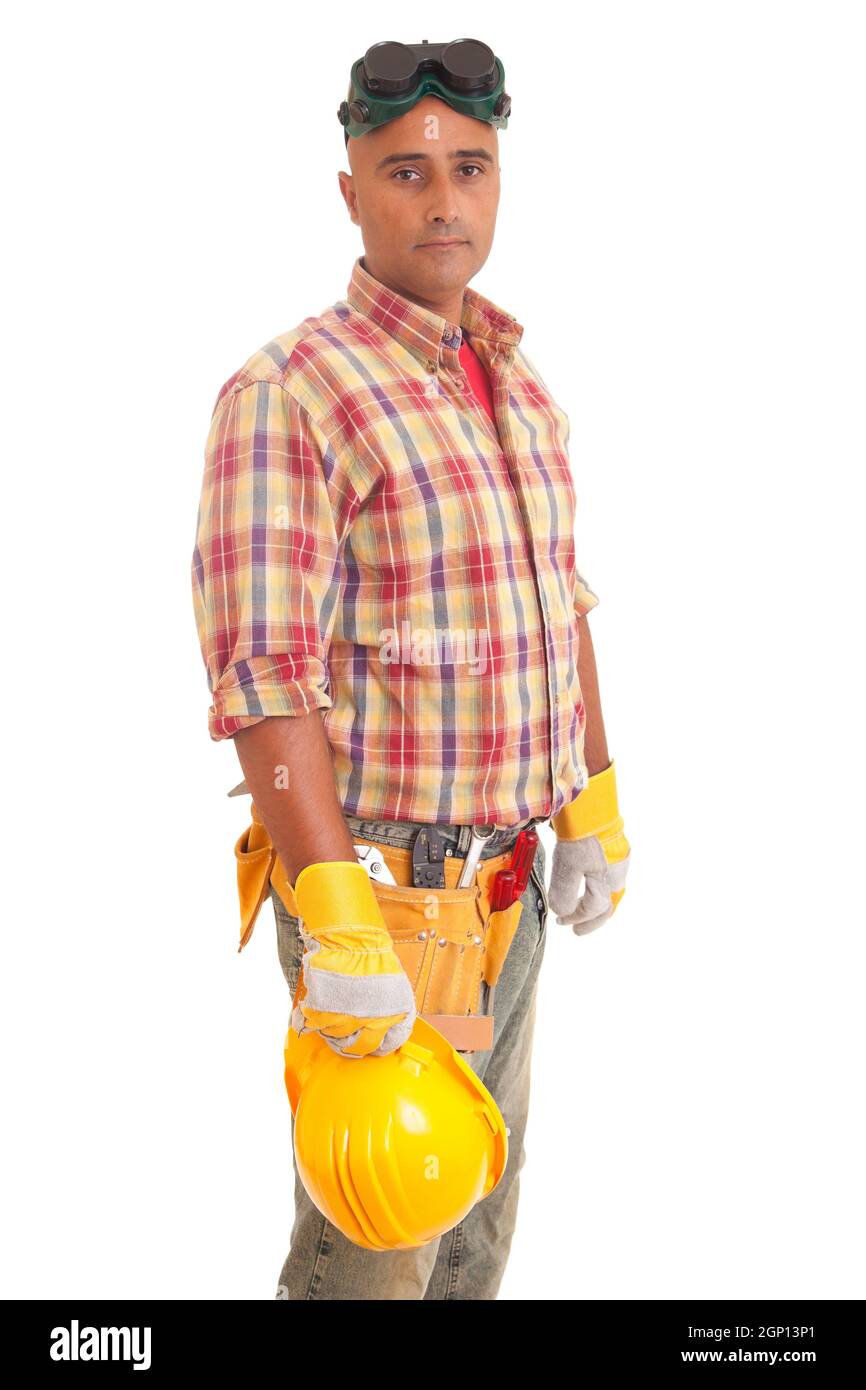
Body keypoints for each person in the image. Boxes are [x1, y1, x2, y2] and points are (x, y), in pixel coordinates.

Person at [191, 37, 631, 1300]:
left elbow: (560, 600)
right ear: (348, 190)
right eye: (404, 170)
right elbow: (262, 675)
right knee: (375, 1258)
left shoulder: (511, 381)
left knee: (474, 1240)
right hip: (386, 893)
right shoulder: (291, 390)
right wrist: (334, 917)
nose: (443, 200)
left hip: (510, 885)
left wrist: (588, 797)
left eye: (469, 167)